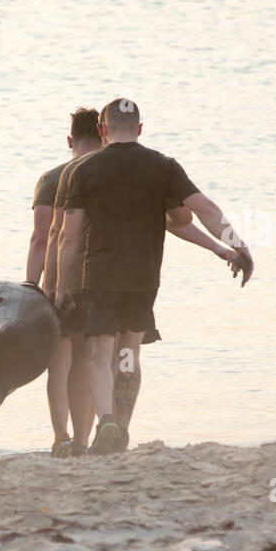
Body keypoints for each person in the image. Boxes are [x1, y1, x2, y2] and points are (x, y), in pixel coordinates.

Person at [31, 108, 237, 457]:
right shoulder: (156, 167)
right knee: (125, 356)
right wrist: (227, 245)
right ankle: (112, 431)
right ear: (137, 128)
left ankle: (80, 436)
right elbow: (184, 217)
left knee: (85, 359)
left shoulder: (65, 175)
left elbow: (54, 236)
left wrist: (47, 287)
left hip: (89, 278)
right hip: (140, 279)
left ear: (101, 130)